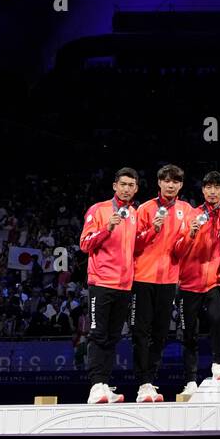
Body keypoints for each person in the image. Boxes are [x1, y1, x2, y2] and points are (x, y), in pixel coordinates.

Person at [80, 167, 147, 404]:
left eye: (131, 185)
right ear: (115, 186)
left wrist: (153, 231)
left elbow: (137, 248)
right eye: (123, 184)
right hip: (101, 282)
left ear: (136, 188)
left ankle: (104, 385)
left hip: (124, 285)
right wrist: (106, 228)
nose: (127, 189)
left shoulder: (136, 214)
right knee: (98, 334)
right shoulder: (99, 210)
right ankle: (95, 385)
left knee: (112, 336)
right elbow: (85, 244)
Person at [132, 164, 192, 403]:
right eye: (166, 181)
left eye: (175, 181)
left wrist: (191, 236)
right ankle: (142, 382)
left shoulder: (186, 210)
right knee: (140, 332)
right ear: (159, 182)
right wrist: (151, 231)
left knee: (160, 333)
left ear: (181, 185)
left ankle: (150, 379)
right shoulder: (145, 209)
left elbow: (181, 250)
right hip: (143, 278)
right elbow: (133, 245)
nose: (171, 185)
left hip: (169, 279)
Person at [176, 172, 220, 395]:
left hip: (215, 281)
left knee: (219, 320)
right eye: (208, 187)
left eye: (217, 187)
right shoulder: (191, 215)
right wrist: (190, 234)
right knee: (189, 333)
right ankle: (190, 379)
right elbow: (178, 249)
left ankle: (218, 365)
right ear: (203, 190)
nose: (212, 191)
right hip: (189, 283)